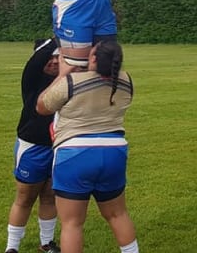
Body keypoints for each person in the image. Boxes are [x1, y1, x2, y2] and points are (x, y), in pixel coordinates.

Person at [36, 40, 138, 253]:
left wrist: (62, 74)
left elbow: (42, 107)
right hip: (114, 151)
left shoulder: (72, 82)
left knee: (72, 223)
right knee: (118, 214)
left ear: (93, 58)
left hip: (74, 152)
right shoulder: (126, 80)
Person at [5, 38, 62, 253]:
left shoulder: (66, 81)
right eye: (50, 58)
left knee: (50, 195)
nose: (54, 62)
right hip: (33, 147)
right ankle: (12, 247)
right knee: (25, 198)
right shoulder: (31, 78)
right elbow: (36, 60)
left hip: (58, 147)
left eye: (59, 58)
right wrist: (62, 35)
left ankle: (46, 243)